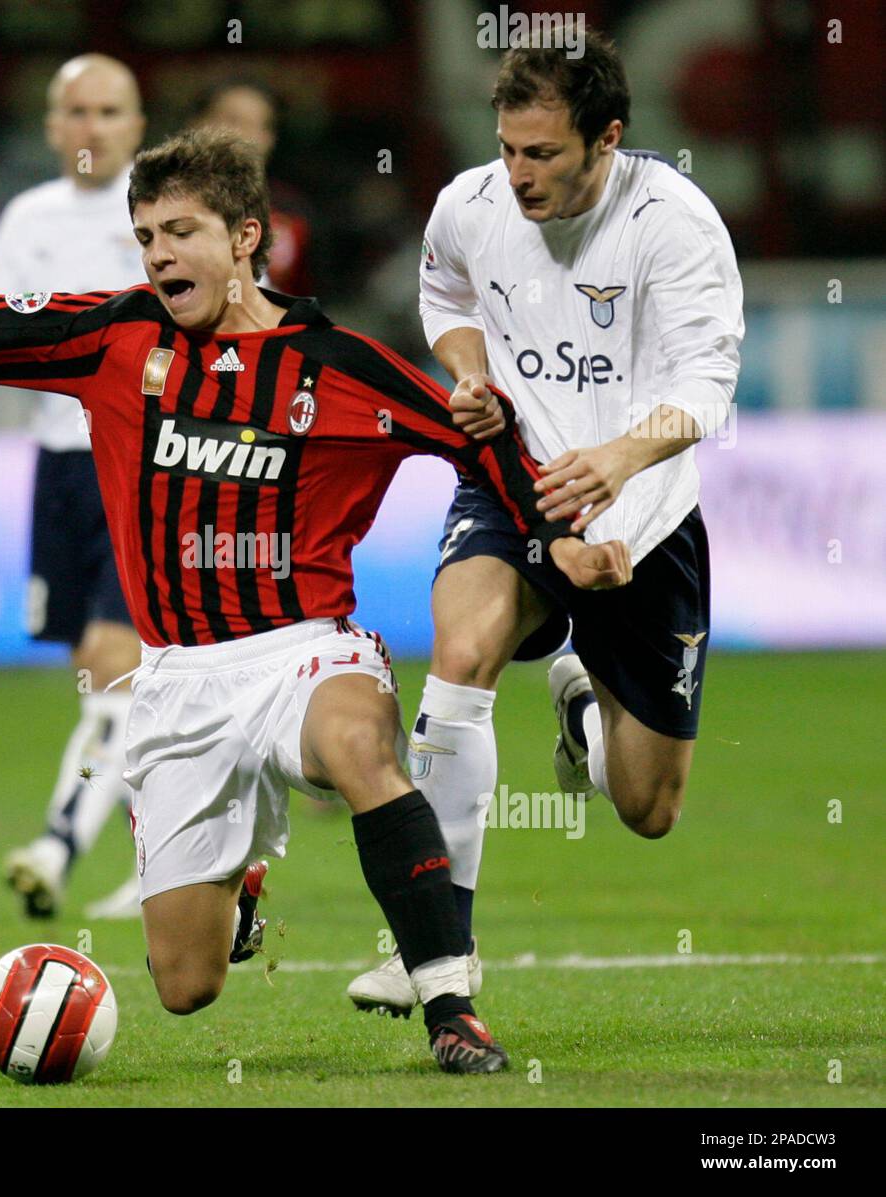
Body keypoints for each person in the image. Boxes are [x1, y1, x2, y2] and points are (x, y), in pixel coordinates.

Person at [0, 128, 629, 1074]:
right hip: (174, 681)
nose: (159, 253)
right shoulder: (113, 337)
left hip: (303, 650)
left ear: (246, 237)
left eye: (179, 231)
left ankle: (449, 1003)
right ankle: (239, 877)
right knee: (184, 985)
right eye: (146, 236)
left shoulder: (338, 366)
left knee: (361, 748)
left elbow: (479, 438)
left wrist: (556, 543)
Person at [347, 30, 743, 1017]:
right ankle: (436, 946)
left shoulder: (673, 224)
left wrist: (615, 469)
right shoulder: (471, 206)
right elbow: (443, 295)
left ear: (605, 140)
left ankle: (579, 710)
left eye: (543, 154)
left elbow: (706, 383)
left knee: (647, 808)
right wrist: (470, 371)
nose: (517, 175)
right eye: (507, 148)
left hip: (642, 509)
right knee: (461, 648)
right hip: (516, 478)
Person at [0, 54, 149, 923]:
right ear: (51, 126)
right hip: (59, 463)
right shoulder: (29, 217)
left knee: (119, 665)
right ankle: (172, 859)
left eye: (109, 111)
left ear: (137, 124)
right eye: (75, 111)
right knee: (100, 672)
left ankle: (57, 843)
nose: (91, 127)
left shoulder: (160, 214)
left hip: (144, 464)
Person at [189, 78, 312, 296]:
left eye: (260, 125)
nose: (245, 135)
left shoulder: (293, 216)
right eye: (232, 120)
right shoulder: (152, 206)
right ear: (195, 124)